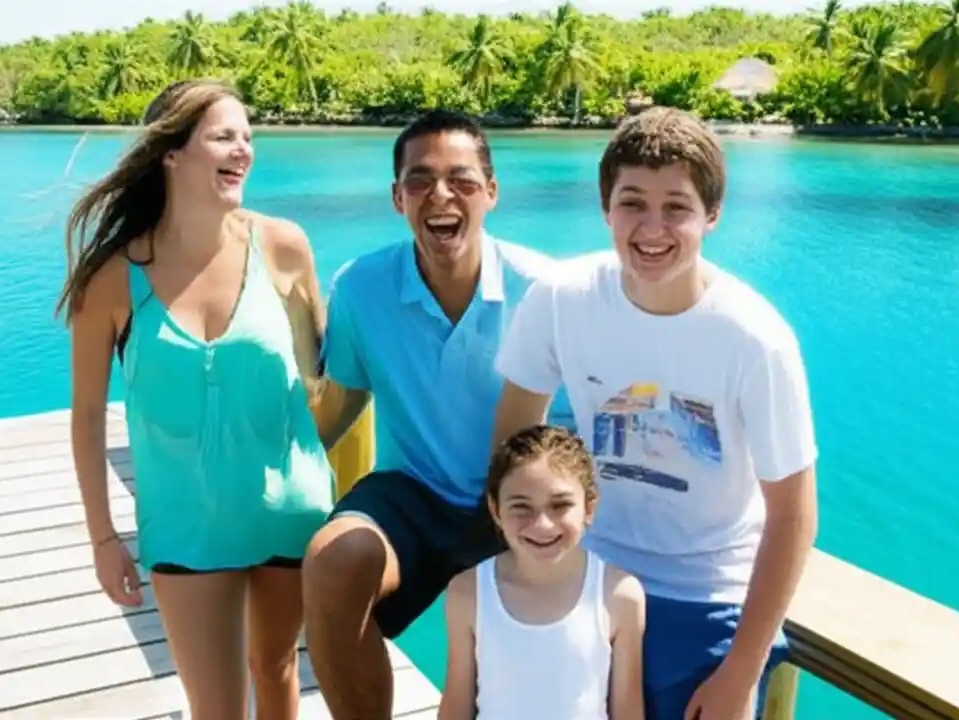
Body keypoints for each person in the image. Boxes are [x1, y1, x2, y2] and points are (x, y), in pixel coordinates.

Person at [490, 106, 819, 720]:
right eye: (632, 202)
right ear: (605, 208)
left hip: (709, 594)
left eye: (677, 208)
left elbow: (794, 515)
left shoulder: (754, 339)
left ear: (712, 215)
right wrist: (523, 566)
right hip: (587, 569)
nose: (651, 228)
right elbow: (513, 437)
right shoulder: (562, 298)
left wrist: (740, 672)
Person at [58, 79, 334, 720]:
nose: (243, 150)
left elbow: (320, 378)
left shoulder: (284, 247)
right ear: (172, 154)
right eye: (223, 137)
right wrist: (103, 539)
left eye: (247, 137)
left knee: (276, 669)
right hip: (186, 526)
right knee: (215, 709)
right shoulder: (112, 279)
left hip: (290, 510)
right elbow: (86, 416)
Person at [300, 109, 570, 719]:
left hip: (519, 505)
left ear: (491, 193)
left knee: (520, 672)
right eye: (420, 181)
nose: (441, 195)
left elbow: (586, 439)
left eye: (463, 180)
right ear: (397, 197)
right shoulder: (363, 287)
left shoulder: (545, 292)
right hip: (412, 494)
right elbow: (339, 405)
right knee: (332, 561)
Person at [438, 424, 645, 720]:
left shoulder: (620, 595)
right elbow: (456, 706)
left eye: (560, 505)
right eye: (521, 507)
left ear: (589, 507)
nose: (542, 525)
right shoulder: (468, 592)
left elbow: (628, 711)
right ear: (495, 510)